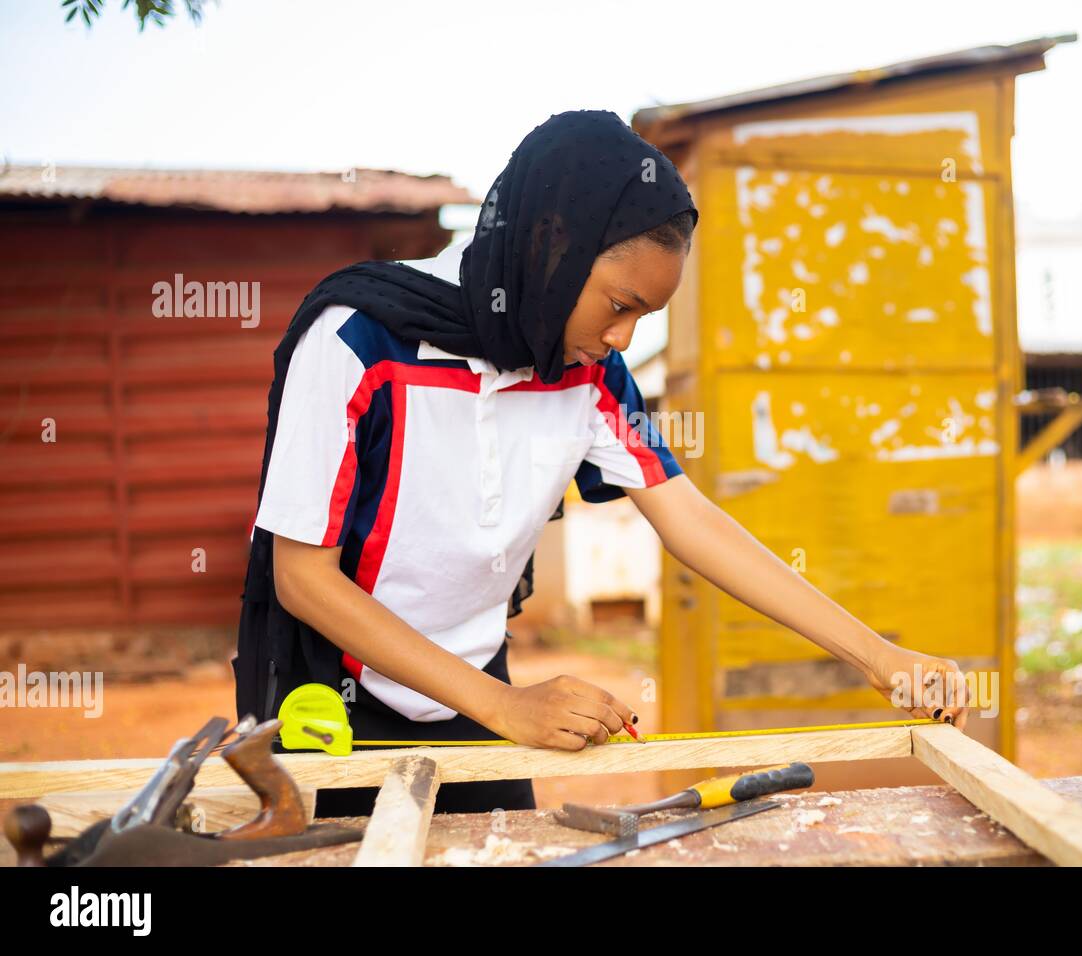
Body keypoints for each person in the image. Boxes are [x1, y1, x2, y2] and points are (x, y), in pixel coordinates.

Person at [233, 110, 968, 817]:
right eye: (620, 304)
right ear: (550, 250)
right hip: (334, 709)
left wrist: (878, 657)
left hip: (479, 697)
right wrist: (506, 707)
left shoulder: (587, 376)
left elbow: (691, 521)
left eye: (644, 317)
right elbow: (302, 578)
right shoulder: (356, 342)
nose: (622, 336)